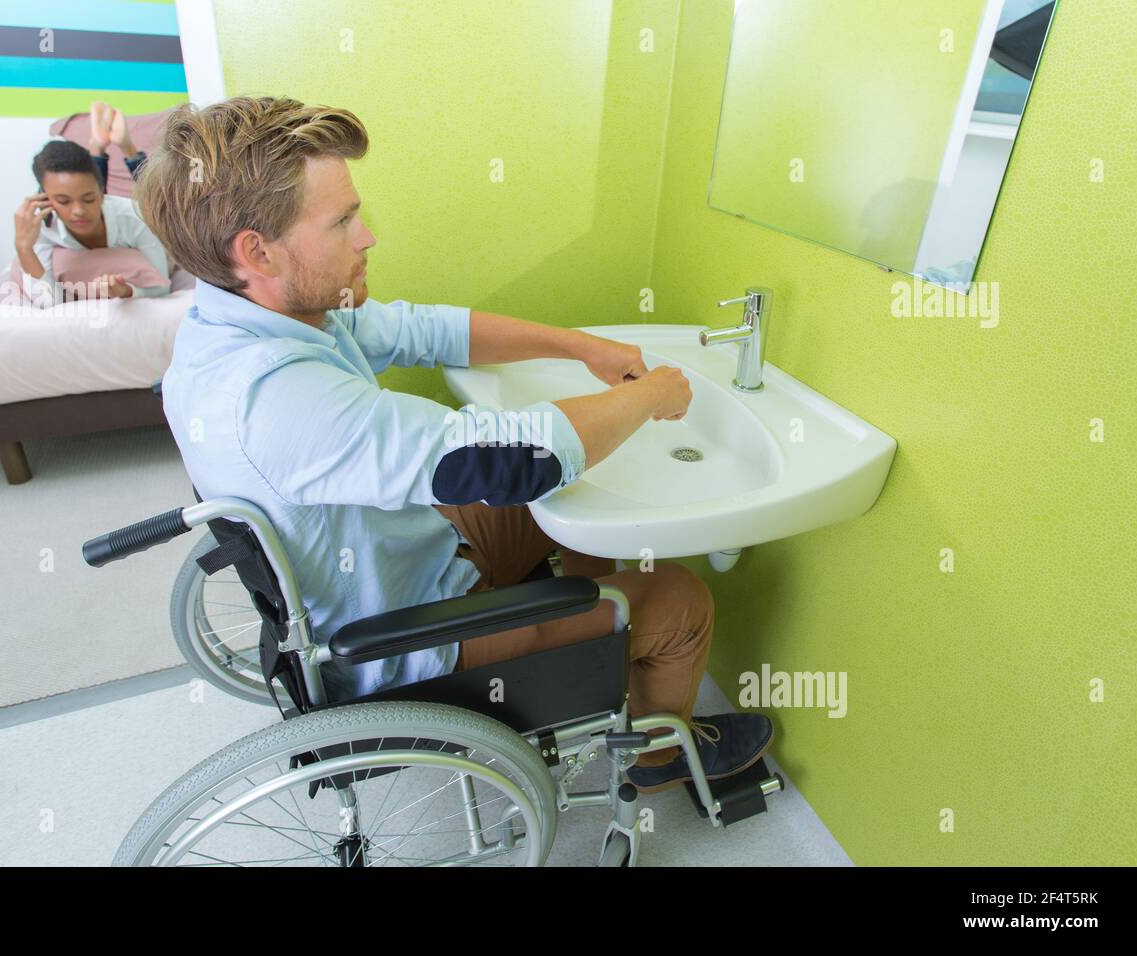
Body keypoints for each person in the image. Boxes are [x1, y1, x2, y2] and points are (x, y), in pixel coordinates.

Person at [135, 96, 773, 793]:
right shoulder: (276, 401)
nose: (367, 236)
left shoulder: (247, 318)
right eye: (343, 220)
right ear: (256, 250)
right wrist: (647, 397)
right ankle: (657, 760)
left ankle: (584, 636)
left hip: (403, 557)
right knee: (681, 601)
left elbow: (423, 329)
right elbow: (512, 458)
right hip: (411, 646)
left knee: (583, 486)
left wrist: (579, 346)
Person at [13, 102, 170, 308]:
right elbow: (49, 301)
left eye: (89, 199)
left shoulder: (134, 217)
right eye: (63, 201)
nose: (78, 211)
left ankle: (123, 147)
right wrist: (23, 248)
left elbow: (162, 287)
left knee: (159, 205)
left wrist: (127, 291)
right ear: (44, 197)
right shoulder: (41, 226)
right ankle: (97, 146)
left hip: (134, 214)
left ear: (102, 193)